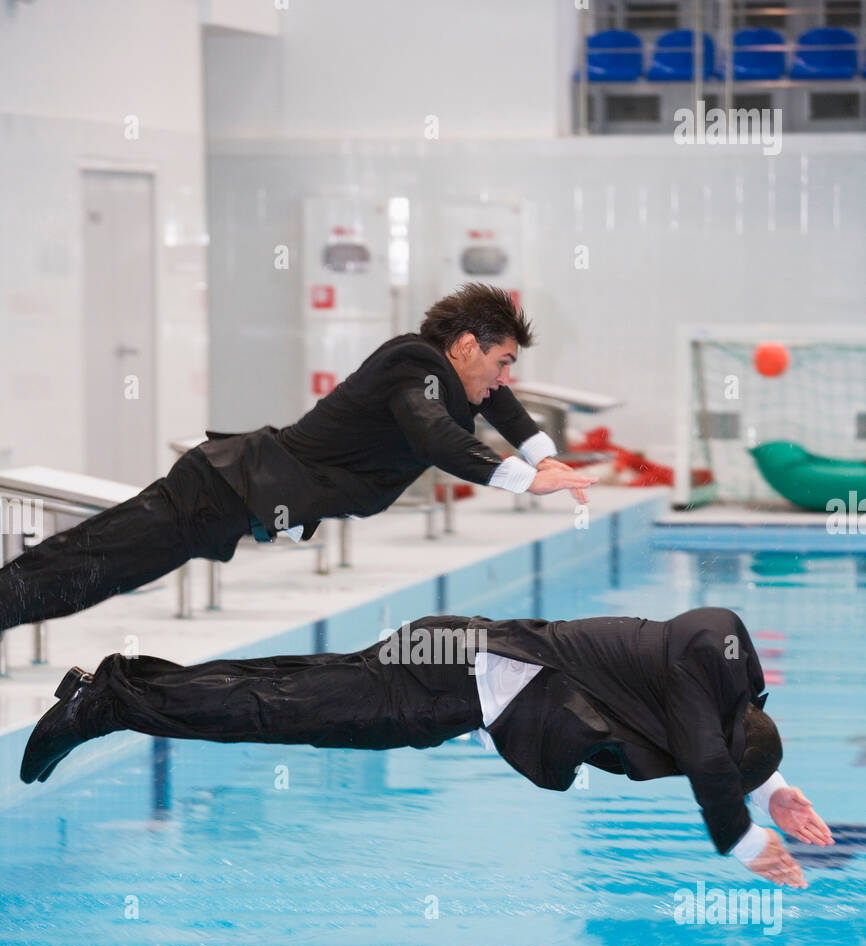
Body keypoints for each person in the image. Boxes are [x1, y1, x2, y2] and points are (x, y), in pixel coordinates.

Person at [20, 607, 832, 887]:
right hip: (453, 667)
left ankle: (115, 693)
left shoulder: (726, 677)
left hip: (453, 685)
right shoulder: (707, 652)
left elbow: (717, 741)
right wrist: (742, 836)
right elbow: (705, 749)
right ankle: (107, 700)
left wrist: (771, 788)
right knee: (278, 705)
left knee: (283, 698)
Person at [0, 283, 595, 634]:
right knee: (82, 568)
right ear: (467, 346)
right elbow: (434, 438)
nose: (505, 376)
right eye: (504, 360)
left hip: (230, 497)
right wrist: (523, 480)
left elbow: (505, 407)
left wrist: (547, 459)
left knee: (94, 577)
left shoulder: (446, 371)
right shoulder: (415, 368)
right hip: (219, 488)